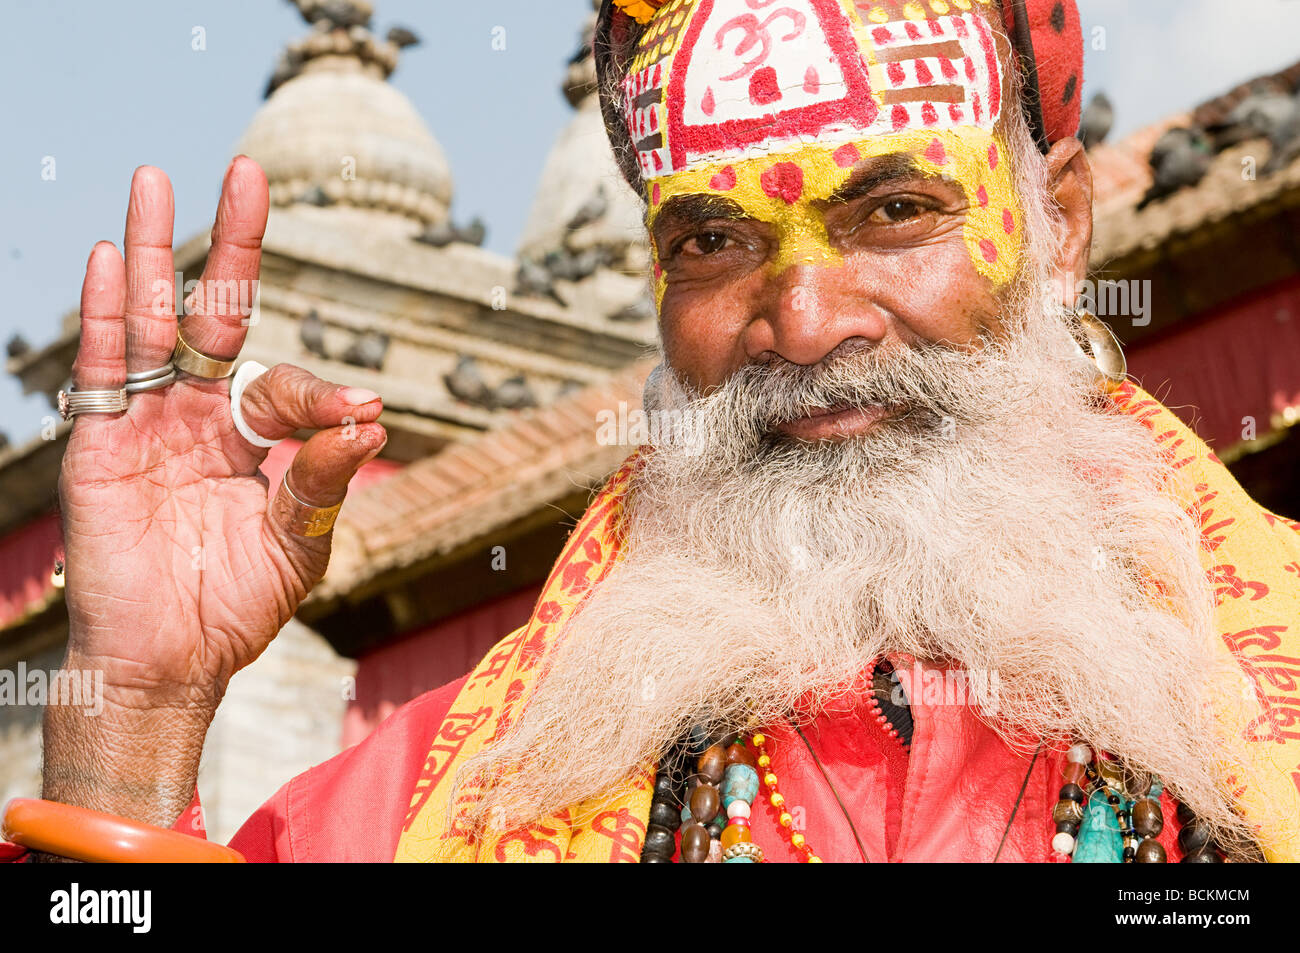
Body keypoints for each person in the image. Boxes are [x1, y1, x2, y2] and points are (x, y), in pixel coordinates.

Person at [10, 0, 1300, 864]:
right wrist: (131, 715)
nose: (802, 322)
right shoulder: (435, 804)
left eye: (896, 213)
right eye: (714, 241)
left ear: (1061, 231)